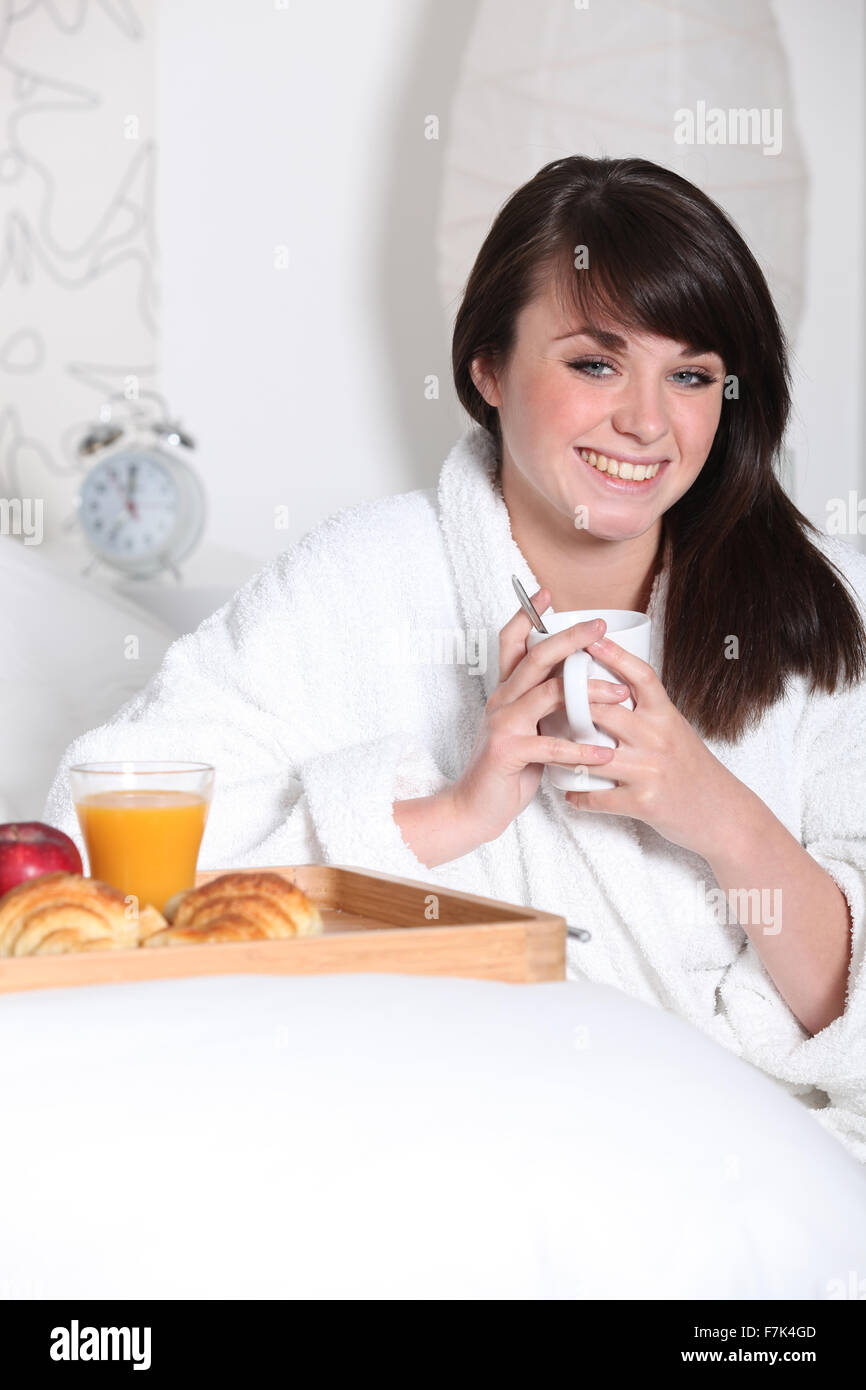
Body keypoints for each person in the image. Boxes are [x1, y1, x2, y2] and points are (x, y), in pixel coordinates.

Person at [45, 156, 866, 1164]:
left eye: (688, 374)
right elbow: (92, 869)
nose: (646, 421)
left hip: (758, 1157)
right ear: (485, 369)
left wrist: (716, 812)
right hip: (459, 1144)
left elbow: (849, 1014)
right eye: (593, 364)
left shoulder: (827, 610)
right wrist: (444, 814)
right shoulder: (361, 581)